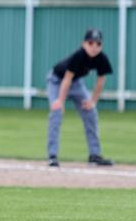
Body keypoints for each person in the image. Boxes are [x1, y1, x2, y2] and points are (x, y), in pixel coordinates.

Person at [46, 28, 114, 167]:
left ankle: (94, 155)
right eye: (91, 43)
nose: (94, 47)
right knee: (56, 112)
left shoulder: (102, 58)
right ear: (84, 44)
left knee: (91, 113)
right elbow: (66, 78)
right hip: (57, 81)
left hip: (76, 83)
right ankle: (52, 156)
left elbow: (101, 80)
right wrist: (60, 100)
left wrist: (93, 101)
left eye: (98, 44)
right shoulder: (79, 56)